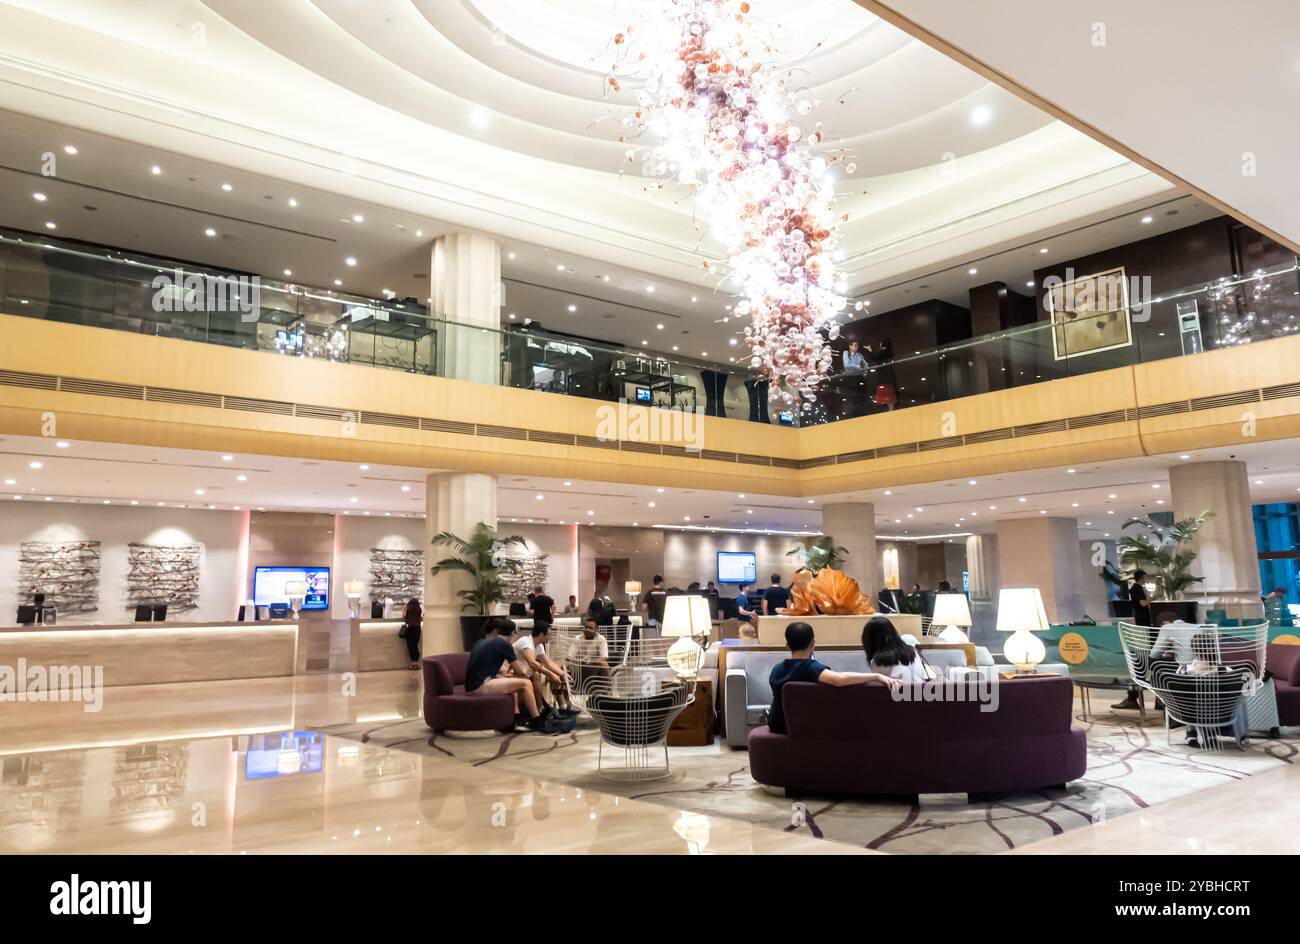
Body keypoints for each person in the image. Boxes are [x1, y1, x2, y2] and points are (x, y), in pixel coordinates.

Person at [765, 622, 899, 735]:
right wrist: (876, 676)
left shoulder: (777, 669)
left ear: (787, 645)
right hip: (806, 726)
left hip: (777, 724)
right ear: (813, 643)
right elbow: (839, 679)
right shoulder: (811, 668)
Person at [464, 617, 562, 734]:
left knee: (515, 682)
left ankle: (515, 719)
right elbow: (519, 672)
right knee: (525, 683)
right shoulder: (505, 644)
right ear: (513, 633)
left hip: (472, 685)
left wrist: (506, 674)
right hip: (480, 686)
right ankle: (537, 720)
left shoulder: (481, 641)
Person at [513, 623, 578, 722]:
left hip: (526, 674)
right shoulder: (526, 641)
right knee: (537, 674)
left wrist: (563, 674)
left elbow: (548, 663)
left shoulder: (539, 646)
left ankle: (562, 708)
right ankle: (541, 708)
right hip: (514, 674)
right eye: (549, 634)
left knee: (555, 676)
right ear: (541, 635)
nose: (550, 636)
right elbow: (532, 663)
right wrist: (550, 674)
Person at [1114, 570, 1153, 710]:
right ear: (1142, 577)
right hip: (1143, 625)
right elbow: (1143, 604)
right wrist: (1154, 599)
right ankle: (1134, 698)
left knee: (1141, 662)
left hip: (1141, 624)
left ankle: (1132, 698)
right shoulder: (1138, 589)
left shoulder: (1134, 589)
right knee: (1142, 661)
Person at [862, 616, 931, 683]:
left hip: (900, 694)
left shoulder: (879, 661)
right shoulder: (912, 651)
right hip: (921, 692)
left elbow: (878, 689)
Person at [566, 616, 611, 695]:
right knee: (564, 666)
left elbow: (604, 658)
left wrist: (591, 661)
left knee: (604, 664)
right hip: (579, 666)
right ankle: (566, 700)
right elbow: (570, 657)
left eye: (590, 628)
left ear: (596, 630)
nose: (587, 630)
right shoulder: (577, 638)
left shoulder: (601, 639)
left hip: (595, 666)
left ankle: (605, 693)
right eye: (585, 627)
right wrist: (580, 662)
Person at [865, 338, 897, 410]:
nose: (879, 344)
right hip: (889, 377)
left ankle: (888, 410)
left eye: (881, 343)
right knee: (890, 395)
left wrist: (870, 350)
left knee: (883, 395)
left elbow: (875, 357)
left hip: (883, 377)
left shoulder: (884, 351)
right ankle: (891, 409)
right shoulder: (890, 352)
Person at [398, 598, 422, 670]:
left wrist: (404, 609)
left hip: (410, 628)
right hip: (418, 628)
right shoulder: (419, 609)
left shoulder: (408, 608)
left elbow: (403, 616)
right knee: (415, 646)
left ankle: (413, 664)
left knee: (411, 646)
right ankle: (416, 664)